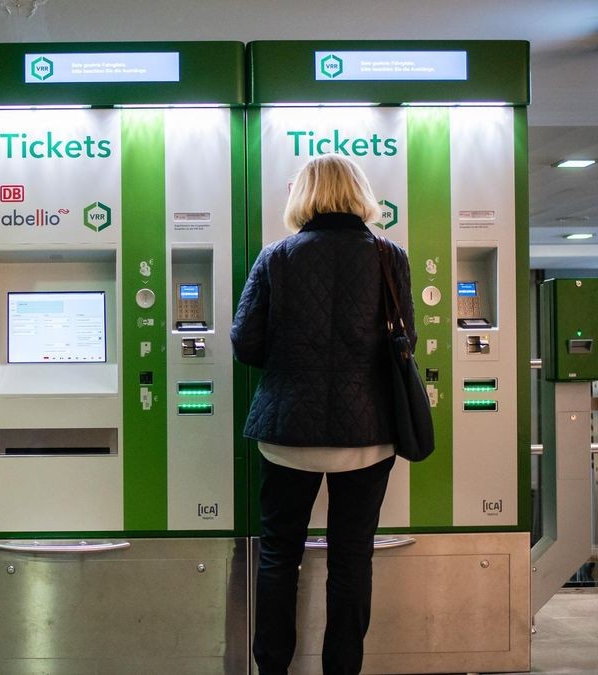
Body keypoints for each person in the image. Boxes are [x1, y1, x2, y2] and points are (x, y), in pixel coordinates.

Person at [231, 154, 414, 675]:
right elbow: (407, 342)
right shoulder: (388, 256)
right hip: (367, 434)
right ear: (359, 192)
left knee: (278, 556)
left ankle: (272, 668)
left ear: (302, 195)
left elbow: (246, 344)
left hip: (288, 432)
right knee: (351, 560)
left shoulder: (277, 257)